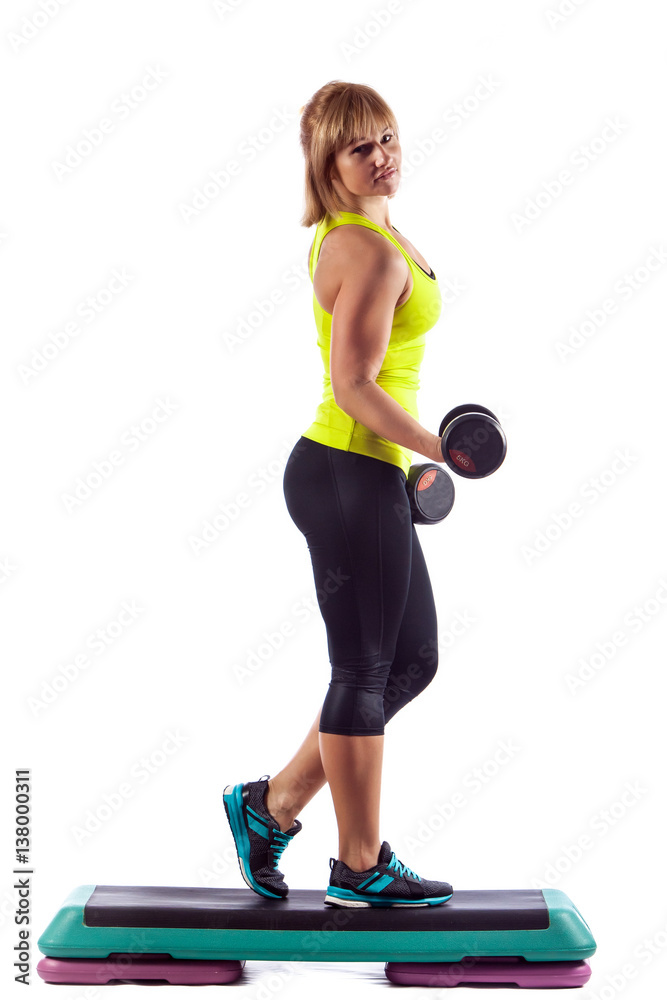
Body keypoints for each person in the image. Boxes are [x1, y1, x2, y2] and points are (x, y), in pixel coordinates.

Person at [224, 80, 453, 909]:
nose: (382, 156)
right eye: (360, 147)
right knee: (362, 669)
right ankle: (358, 866)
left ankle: (270, 804)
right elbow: (353, 384)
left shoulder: (371, 230)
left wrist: (413, 457)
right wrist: (440, 447)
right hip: (345, 468)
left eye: (387, 137)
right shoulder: (365, 247)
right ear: (328, 162)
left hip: (368, 470)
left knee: (412, 661)